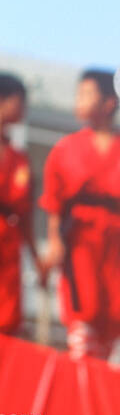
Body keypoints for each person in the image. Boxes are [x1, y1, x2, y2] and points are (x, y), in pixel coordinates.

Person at [40, 69, 120, 361]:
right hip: (81, 239)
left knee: (115, 314)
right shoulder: (66, 148)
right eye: (79, 94)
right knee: (83, 311)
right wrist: (54, 241)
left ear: (108, 102)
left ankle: (98, 379)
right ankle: (81, 379)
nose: (80, 101)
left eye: (86, 94)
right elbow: (53, 201)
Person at [0, 73, 43, 335]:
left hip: (8, 245)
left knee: (6, 319)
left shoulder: (19, 157)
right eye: (20, 102)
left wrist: (37, 260)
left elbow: (25, 214)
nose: (24, 110)